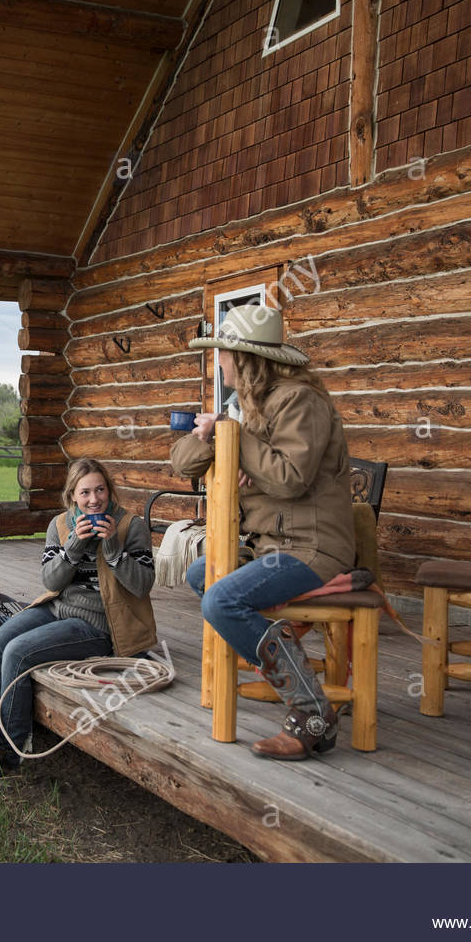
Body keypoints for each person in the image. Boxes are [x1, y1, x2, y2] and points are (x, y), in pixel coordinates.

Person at [175, 302, 356, 760]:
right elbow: (182, 464)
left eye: (222, 352)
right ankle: (283, 659)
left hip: (310, 547)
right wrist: (219, 434)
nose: (217, 361)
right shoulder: (243, 406)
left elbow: (289, 478)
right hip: (270, 546)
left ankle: (312, 712)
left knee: (222, 600)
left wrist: (239, 442)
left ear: (244, 358)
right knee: (200, 574)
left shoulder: (299, 401)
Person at [0, 458, 156, 777]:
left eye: (100, 490)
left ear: (109, 491)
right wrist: (73, 547)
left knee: (18, 652)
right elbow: (51, 581)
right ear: (72, 496)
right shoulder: (60, 525)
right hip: (57, 607)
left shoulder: (130, 526)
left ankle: (9, 752)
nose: (94, 499)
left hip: (100, 623)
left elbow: (141, 586)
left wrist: (113, 548)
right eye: (85, 493)